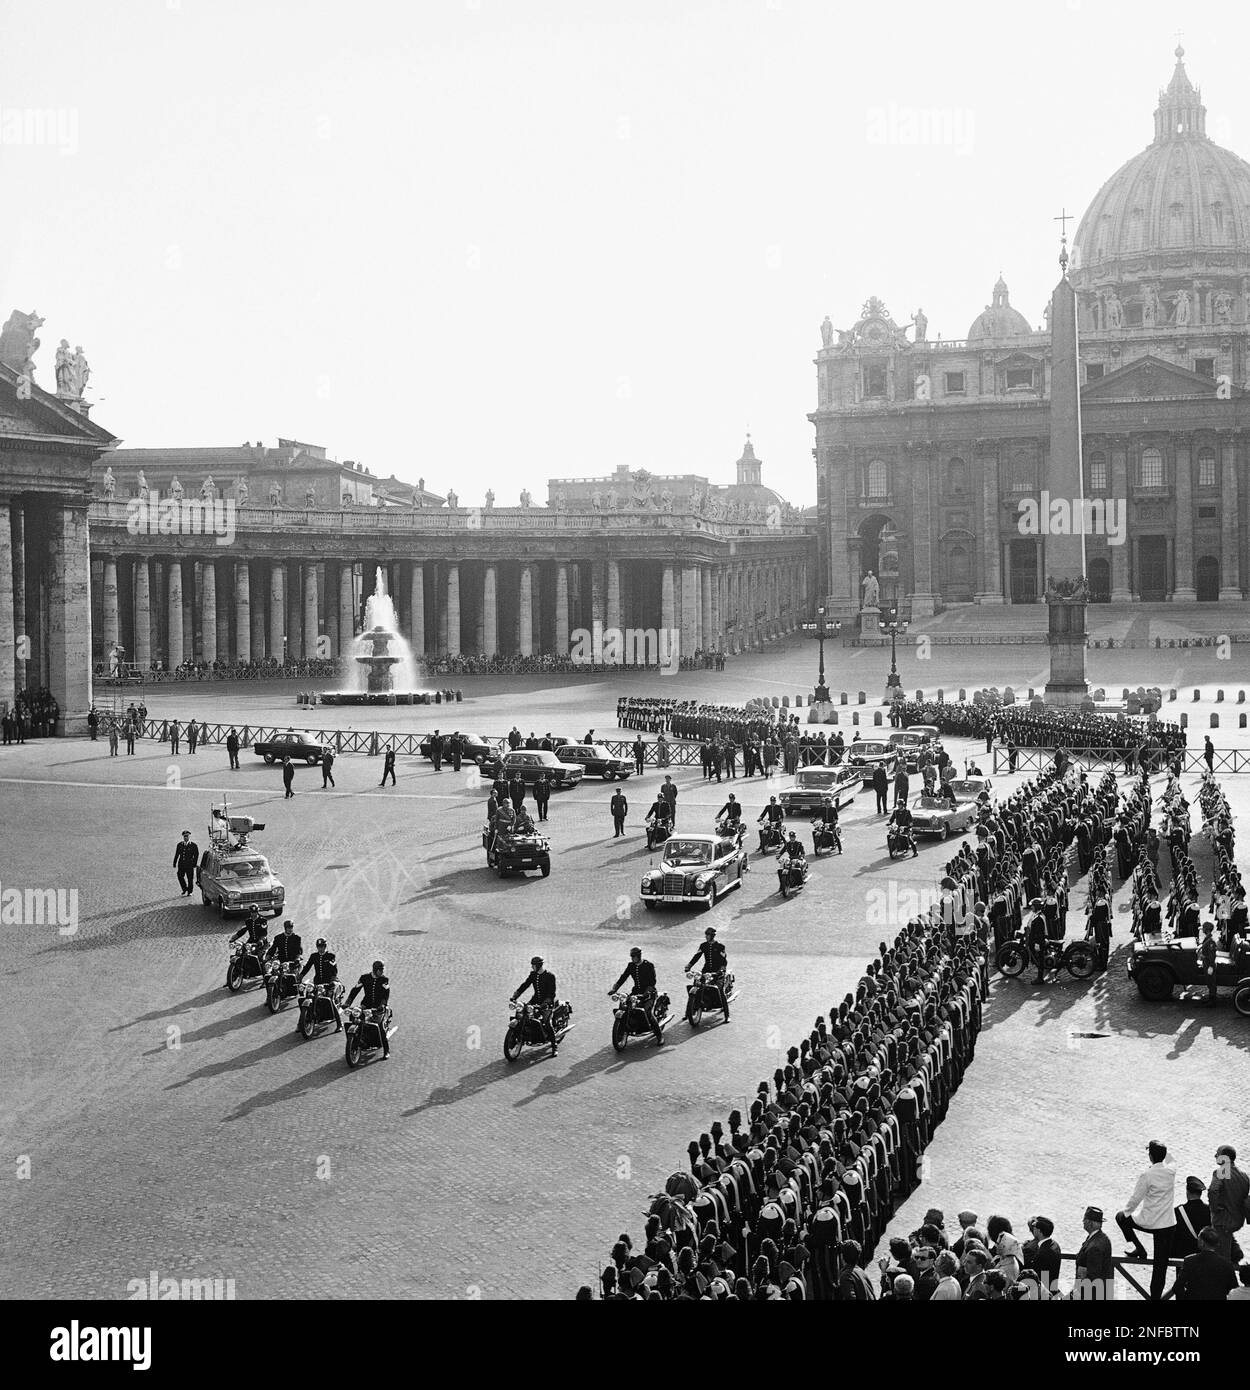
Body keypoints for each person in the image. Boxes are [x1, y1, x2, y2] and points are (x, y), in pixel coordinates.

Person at [1115, 1140, 1177, 1300]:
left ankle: (1139, 1248)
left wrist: (1126, 1213)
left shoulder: (1147, 1175)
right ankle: (1156, 1298)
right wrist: (1164, 1151)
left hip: (1150, 1222)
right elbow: (1171, 1159)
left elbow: (1135, 1199)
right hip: (1168, 1224)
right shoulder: (1171, 1171)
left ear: (1150, 1156)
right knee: (1160, 1267)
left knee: (1120, 1217)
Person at [609, 946, 663, 1045]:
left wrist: (645, 994)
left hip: (649, 993)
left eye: (634, 956)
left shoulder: (648, 965)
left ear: (639, 956)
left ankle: (660, 1037)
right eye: (631, 957)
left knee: (647, 1012)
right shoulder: (631, 966)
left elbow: (652, 982)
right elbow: (623, 977)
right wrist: (614, 989)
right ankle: (623, 1030)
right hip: (636, 992)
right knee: (624, 1005)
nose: (632, 958)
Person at [1208, 1145, 1250, 1263]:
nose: (1215, 1156)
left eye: (1217, 1153)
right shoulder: (1243, 1175)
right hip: (1237, 1220)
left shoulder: (1223, 1171)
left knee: (1221, 1258)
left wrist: (1214, 1208)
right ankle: (1236, 1253)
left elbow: (1213, 1190)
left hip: (1223, 1221)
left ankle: (1224, 1278)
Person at [511, 954, 559, 1056]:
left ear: (538, 965)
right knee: (522, 1012)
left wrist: (545, 1004)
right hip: (535, 1000)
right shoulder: (533, 975)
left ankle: (554, 1047)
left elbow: (551, 993)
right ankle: (520, 1035)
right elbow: (525, 985)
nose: (532, 967)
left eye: (533, 965)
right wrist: (515, 996)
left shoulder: (550, 976)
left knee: (547, 1022)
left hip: (547, 1003)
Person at [1171, 1227, 1237, 1301]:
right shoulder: (1226, 1264)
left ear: (1202, 1242)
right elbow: (1234, 1287)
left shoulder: (1189, 1261)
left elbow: (1177, 1287)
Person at [345, 960, 391, 1058]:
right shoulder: (364, 978)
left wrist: (382, 1005)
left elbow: (386, 995)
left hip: (378, 1007)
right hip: (366, 1004)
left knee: (380, 1026)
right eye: (380, 970)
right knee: (354, 1017)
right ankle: (356, 1040)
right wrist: (348, 1002)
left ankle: (386, 1051)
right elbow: (355, 990)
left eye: (383, 969)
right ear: (375, 970)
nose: (382, 972)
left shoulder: (384, 980)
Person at [685, 926, 730, 1020]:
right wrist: (689, 965)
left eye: (708, 935)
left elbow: (724, 962)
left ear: (712, 936)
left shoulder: (720, 946)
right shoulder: (703, 945)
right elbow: (697, 956)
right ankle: (689, 1012)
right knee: (696, 984)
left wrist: (720, 971)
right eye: (706, 934)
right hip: (706, 970)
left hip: (717, 971)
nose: (706, 936)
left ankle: (727, 1015)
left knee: (720, 991)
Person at [299, 937, 343, 1031]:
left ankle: (339, 1024)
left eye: (322, 946)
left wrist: (331, 982)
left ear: (325, 946)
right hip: (317, 981)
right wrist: (300, 976)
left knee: (329, 999)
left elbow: (334, 971)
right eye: (319, 946)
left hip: (329, 982)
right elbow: (307, 967)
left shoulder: (331, 956)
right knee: (308, 996)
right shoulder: (314, 956)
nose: (320, 948)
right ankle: (301, 1023)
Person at [1073, 1206, 1114, 1301]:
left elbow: (1092, 1277)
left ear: (1089, 1223)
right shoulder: (1102, 1238)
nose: (1083, 1222)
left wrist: (1074, 1295)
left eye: (1084, 1220)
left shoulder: (1095, 1246)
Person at [1172, 1176, 1212, 1259]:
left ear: (1187, 1192)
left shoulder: (1177, 1211)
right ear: (1200, 1193)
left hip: (1183, 1257)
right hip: (1204, 1256)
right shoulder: (1210, 1211)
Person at [1197, 921, 1219, 1006]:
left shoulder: (1210, 941)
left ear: (1206, 930)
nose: (1202, 930)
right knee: (1209, 981)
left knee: (1211, 982)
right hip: (1207, 963)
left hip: (1209, 964)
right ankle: (1210, 998)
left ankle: (1212, 1001)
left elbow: (1211, 956)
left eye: (1203, 928)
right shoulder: (1208, 938)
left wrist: (1210, 966)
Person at [173, 829, 200, 897]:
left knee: (190, 879)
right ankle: (184, 889)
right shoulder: (179, 845)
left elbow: (196, 855)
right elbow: (177, 854)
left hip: (189, 865)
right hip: (181, 865)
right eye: (184, 836)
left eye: (187, 836)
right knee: (180, 876)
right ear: (183, 837)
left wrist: (194, 863)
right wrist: (174, 862)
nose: (186, 837)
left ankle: (190, 891)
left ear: (189, 837)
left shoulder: (193, 845)